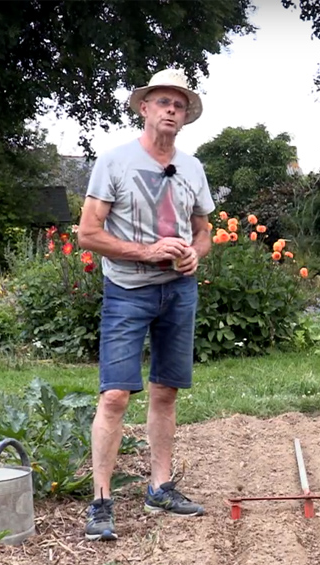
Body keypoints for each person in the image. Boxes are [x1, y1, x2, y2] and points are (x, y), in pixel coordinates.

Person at [77, 69, 214, 541]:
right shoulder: (115, 161)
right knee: (115, 395)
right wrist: (147, 252)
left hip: (178, 291)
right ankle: (101, 503)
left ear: (186, 116)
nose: (171, 109)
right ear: (144, 108)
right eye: (163, 102)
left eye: (179, 104)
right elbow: (88, 233)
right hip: (127, 291)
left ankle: (160, 488)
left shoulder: (193, 168)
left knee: (165, 391)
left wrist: (196, 252)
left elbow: (204, 231)